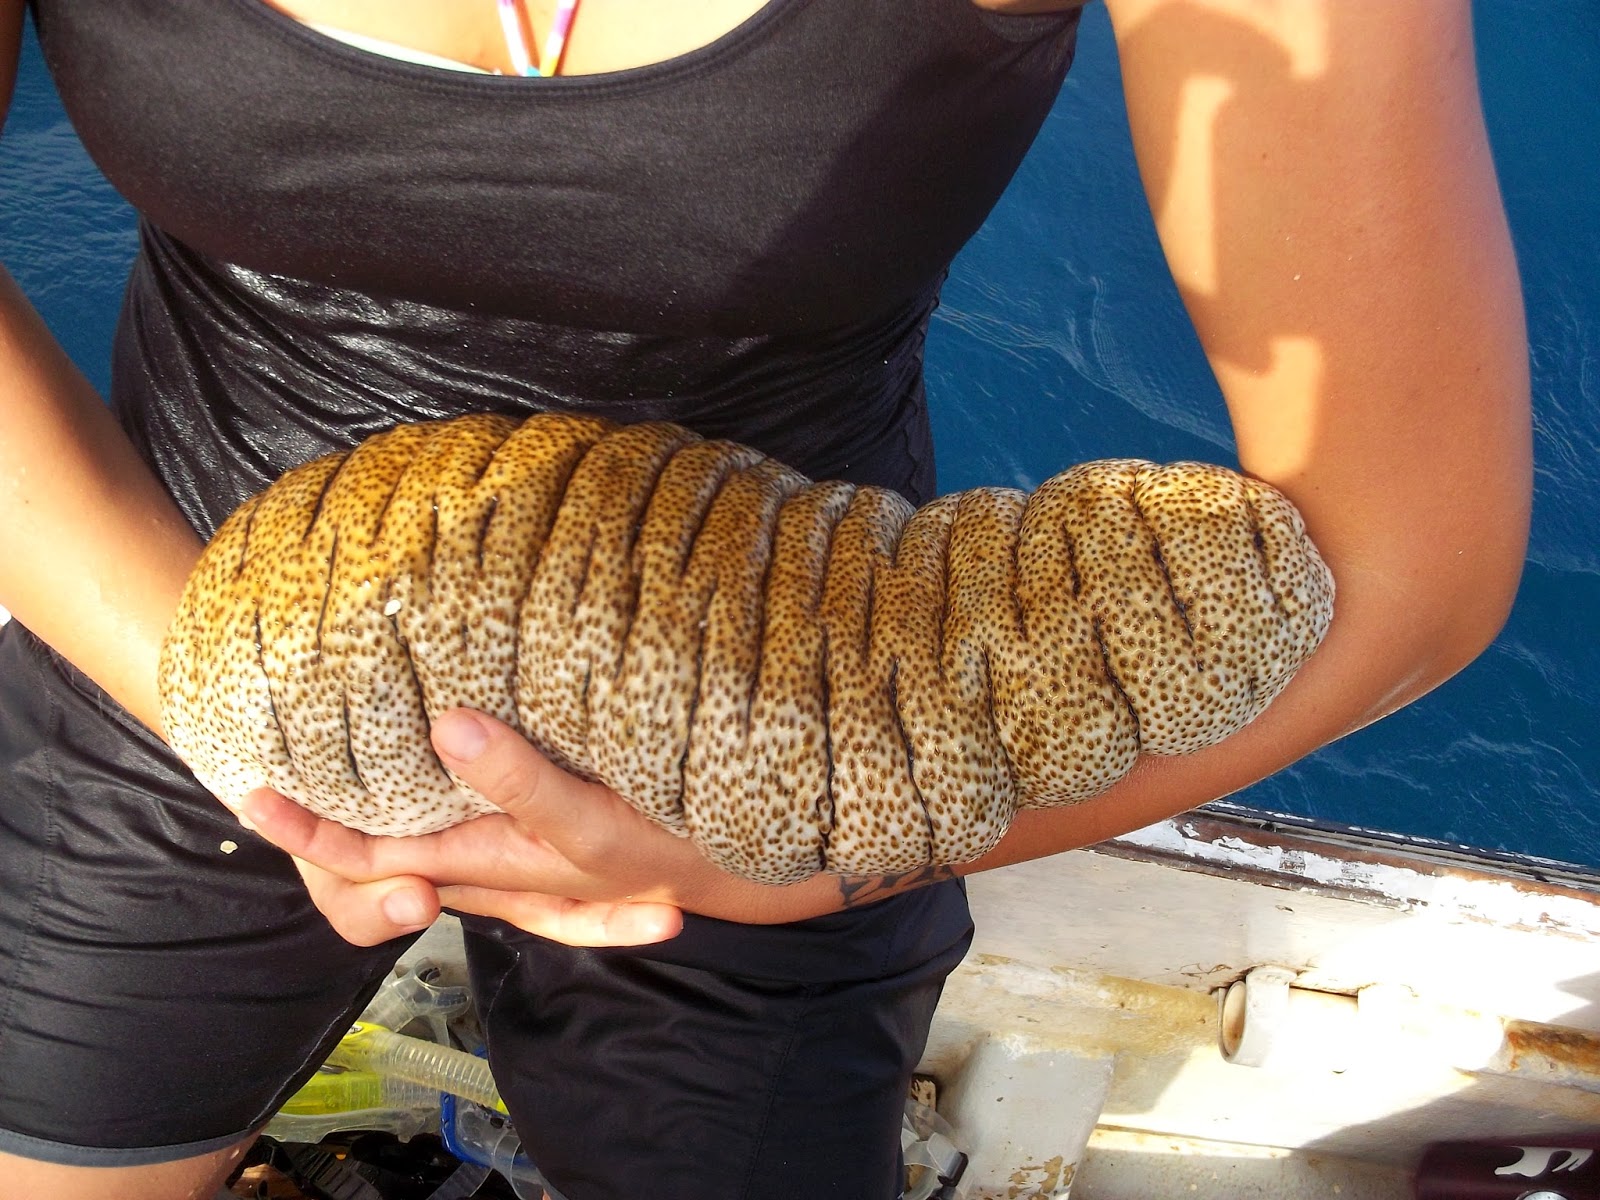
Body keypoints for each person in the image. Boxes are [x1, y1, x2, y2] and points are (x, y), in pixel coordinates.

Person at [0, 1, 1531, 1198]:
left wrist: (808, 859)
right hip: (173, 625)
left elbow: (1407, 558)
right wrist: (249, 737)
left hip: (801, 705)